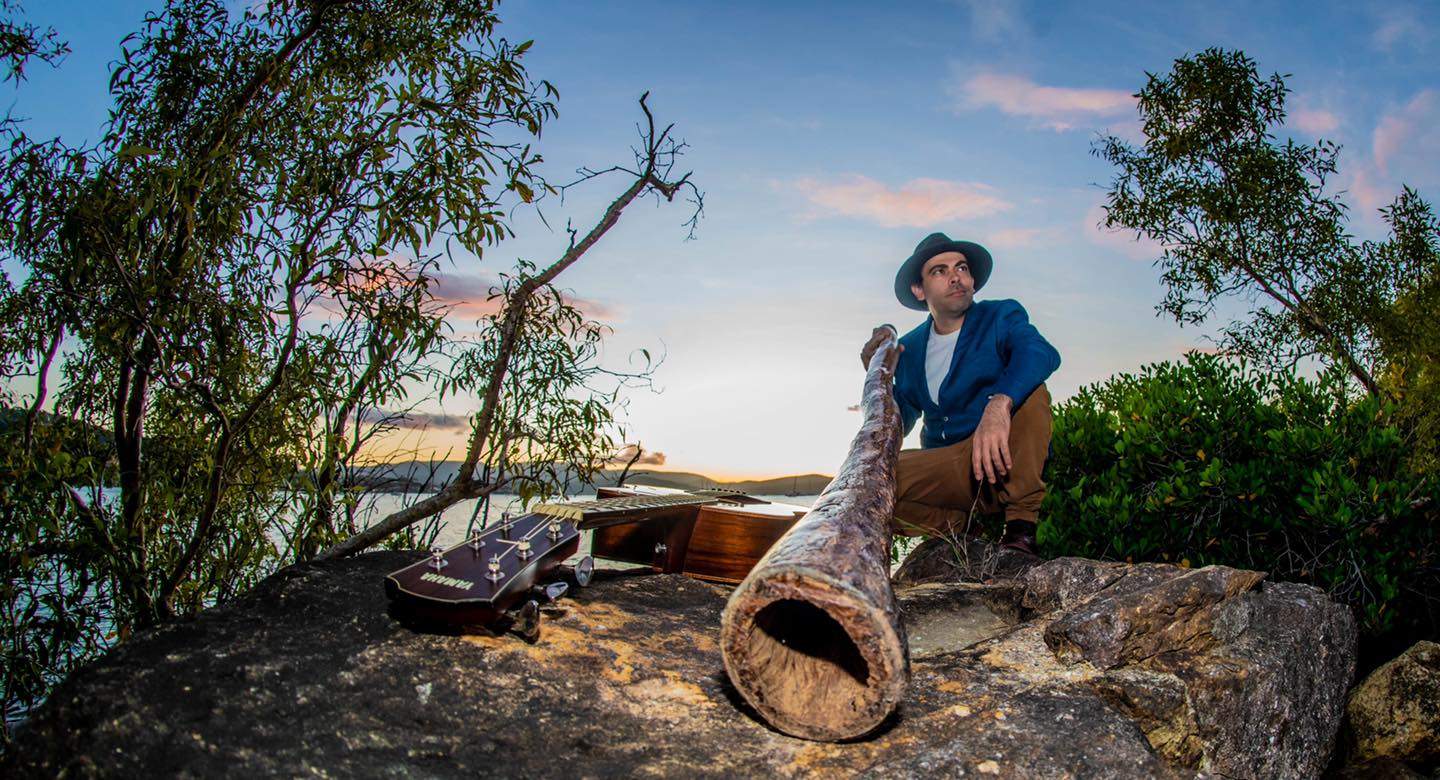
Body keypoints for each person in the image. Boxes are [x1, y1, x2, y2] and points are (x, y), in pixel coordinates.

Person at [860, 232, 1060, 555]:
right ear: (919, 289)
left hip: (1002, 457)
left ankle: (1020, 529)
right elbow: (900, 419)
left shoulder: (999, 316)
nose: (955, 277)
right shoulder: (909, 349)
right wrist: (878, 377)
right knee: (868, 480)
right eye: (940, 271)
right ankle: (957, 528)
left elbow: (1040, 352)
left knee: (1033, 392)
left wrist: (999, 404)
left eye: (962, 268)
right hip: (949, 466)